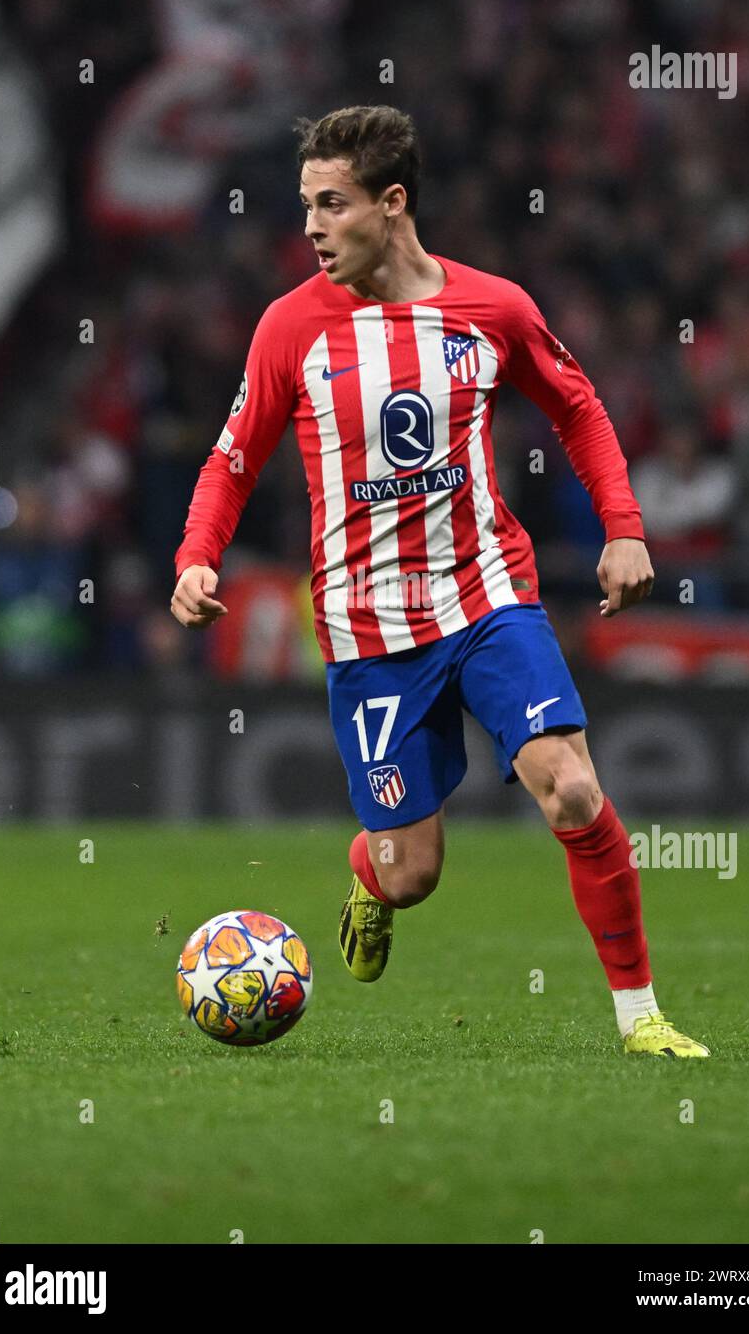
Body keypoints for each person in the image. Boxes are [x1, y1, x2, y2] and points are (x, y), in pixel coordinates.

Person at [171, 104, 709, 1059]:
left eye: (330, 205)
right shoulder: (291, 327)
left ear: (393, 203)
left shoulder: (493, 308)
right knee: (411, 870)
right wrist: (195, 555)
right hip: (369, 629)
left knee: (574, 791)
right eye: (305, 206)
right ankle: (369, 882)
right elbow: (232, 458)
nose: (310, 227)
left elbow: (578, 410)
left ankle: (642, 1019)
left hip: (489, 596)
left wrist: (624, 531)